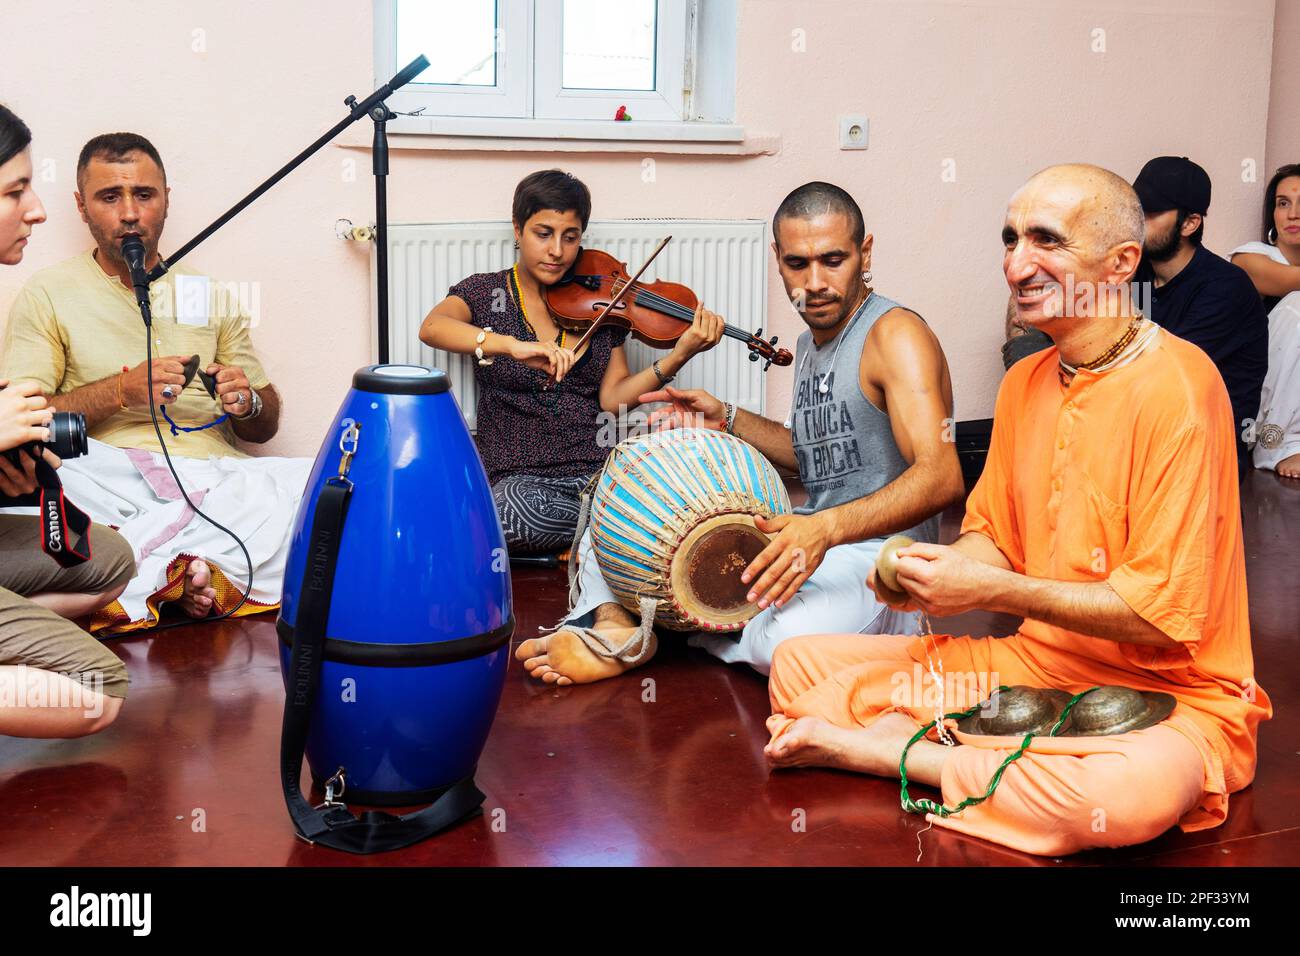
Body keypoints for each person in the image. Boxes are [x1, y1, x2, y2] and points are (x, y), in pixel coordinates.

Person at [763, 164, 1271, 857]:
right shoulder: (1026, 380)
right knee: (797, 664)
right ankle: (972, 758)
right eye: (1010, 240)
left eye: (1045, 241)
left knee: (1118, 797)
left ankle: (898, 755)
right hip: (1035, 666)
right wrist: (923, 570)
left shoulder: (1180, 387)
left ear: (1121, 263)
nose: (1015, 265)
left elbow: (1158, 616)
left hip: (1173, 697)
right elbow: (992, 542)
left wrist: (993, 590)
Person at [515, 181, 965, 684]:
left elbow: (943, 478)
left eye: (832, 260)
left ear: (865, 252)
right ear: (777, 259)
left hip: (880, 558)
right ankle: (621, 625)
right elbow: (815, 457)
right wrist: (726, 417)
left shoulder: (895, 335)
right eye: (797, 264)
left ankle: (665, 630)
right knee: (613, 514)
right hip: (809, 540)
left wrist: (825, 529)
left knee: (786, 646)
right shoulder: (809, 342)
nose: (814, 282)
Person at [1, 132, 311, 632]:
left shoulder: (209, 293)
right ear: (81, 207)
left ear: (167, 198)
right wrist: (119, 392)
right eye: (109, 197)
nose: (129, 213)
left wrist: (247, 401)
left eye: (144, 195)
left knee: (318, 485)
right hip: (106, 481)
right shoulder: (47, 294)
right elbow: (25, 423)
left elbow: (264, 427)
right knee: (52, 497)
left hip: (213, 478)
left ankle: (176, 573)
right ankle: (188, 570)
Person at [419, 169, 724, 554]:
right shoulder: (487, 291)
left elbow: (613, 400)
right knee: (506, 512)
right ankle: (622, 531)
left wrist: (681, 353)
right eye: (543, 233)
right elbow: (432, 326)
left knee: (690, 484)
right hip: (521, 480)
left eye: (570, 237)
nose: (557, 251)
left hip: (598, 471)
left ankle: (601, 530)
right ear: (518, 230)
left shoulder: (601, 304)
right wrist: (510, 346)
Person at [0, 104, 136, 736]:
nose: (37, 209)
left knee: (105, 559)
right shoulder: (49, 295)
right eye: (13, 191)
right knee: (94, 691)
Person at [1131, 156, 1268, 477]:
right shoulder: (1140, 272)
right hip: (1150, 432)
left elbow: (1162, 374)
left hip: (1206, 450)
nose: (1134, 222)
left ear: (1190, 223)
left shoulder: (1225, 287)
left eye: (1149, 213)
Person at [1229, 163, 1300, 478]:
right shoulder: (1250, 257)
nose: (1293, 214)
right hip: (1258, 410)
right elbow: (1286, 281)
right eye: (1283, 203)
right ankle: (1280, 445)